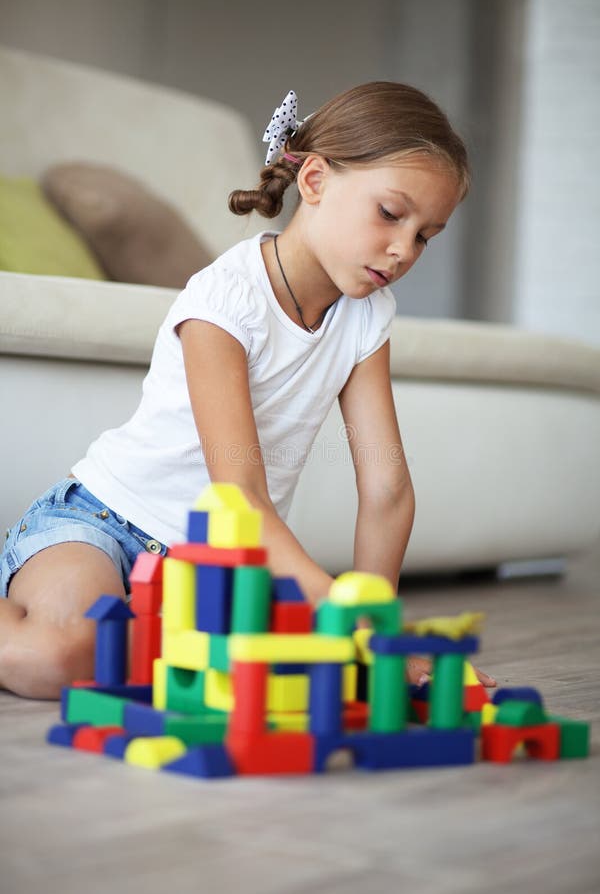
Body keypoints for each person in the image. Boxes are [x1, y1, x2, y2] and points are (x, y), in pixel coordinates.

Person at [0, 82, 496, 699]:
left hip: (216, 567)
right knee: (63, 656)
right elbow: (239, 492)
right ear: (313, 182)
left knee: (279, 678)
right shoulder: (226, 298)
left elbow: (388, 487)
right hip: (105, 524)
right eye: (391, 214)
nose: (403, 250)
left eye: (426, 234)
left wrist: (377, 631)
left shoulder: (368, 316)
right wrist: (345, 618)